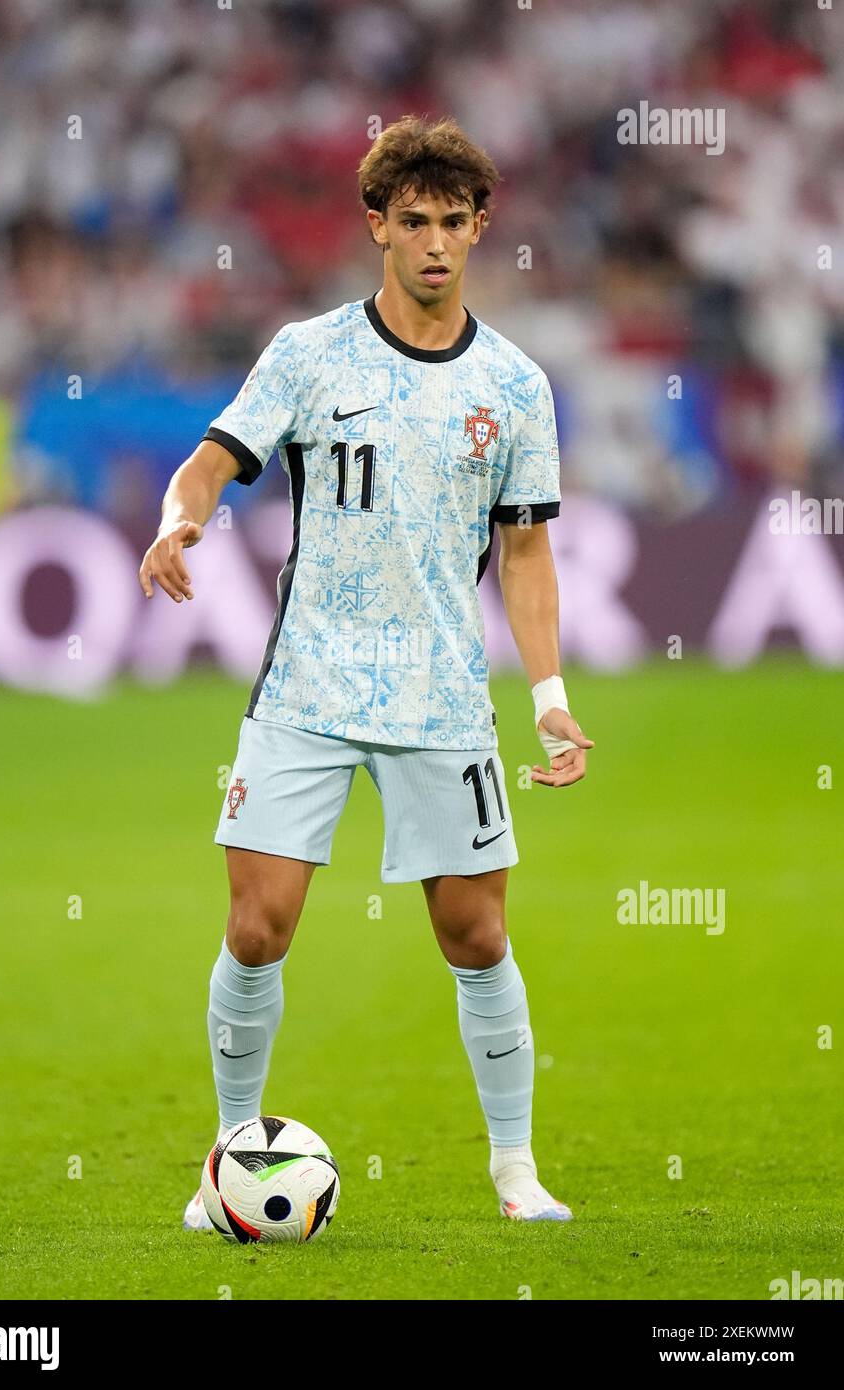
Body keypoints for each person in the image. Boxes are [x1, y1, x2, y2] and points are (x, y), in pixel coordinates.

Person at [138, 115, 594, 1230]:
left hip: (443, 693)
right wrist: (177, 521)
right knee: (258, 926)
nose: (435, 242)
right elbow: (212, 460)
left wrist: (551, 700)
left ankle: (515, 1169)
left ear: (482, 229)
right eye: (414, 221)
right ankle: (229, 1159)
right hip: (309, 685)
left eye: (455, 222)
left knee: (477, 934)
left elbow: (527, 550)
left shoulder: (517, 386)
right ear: (376, 226)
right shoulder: (308, 352)